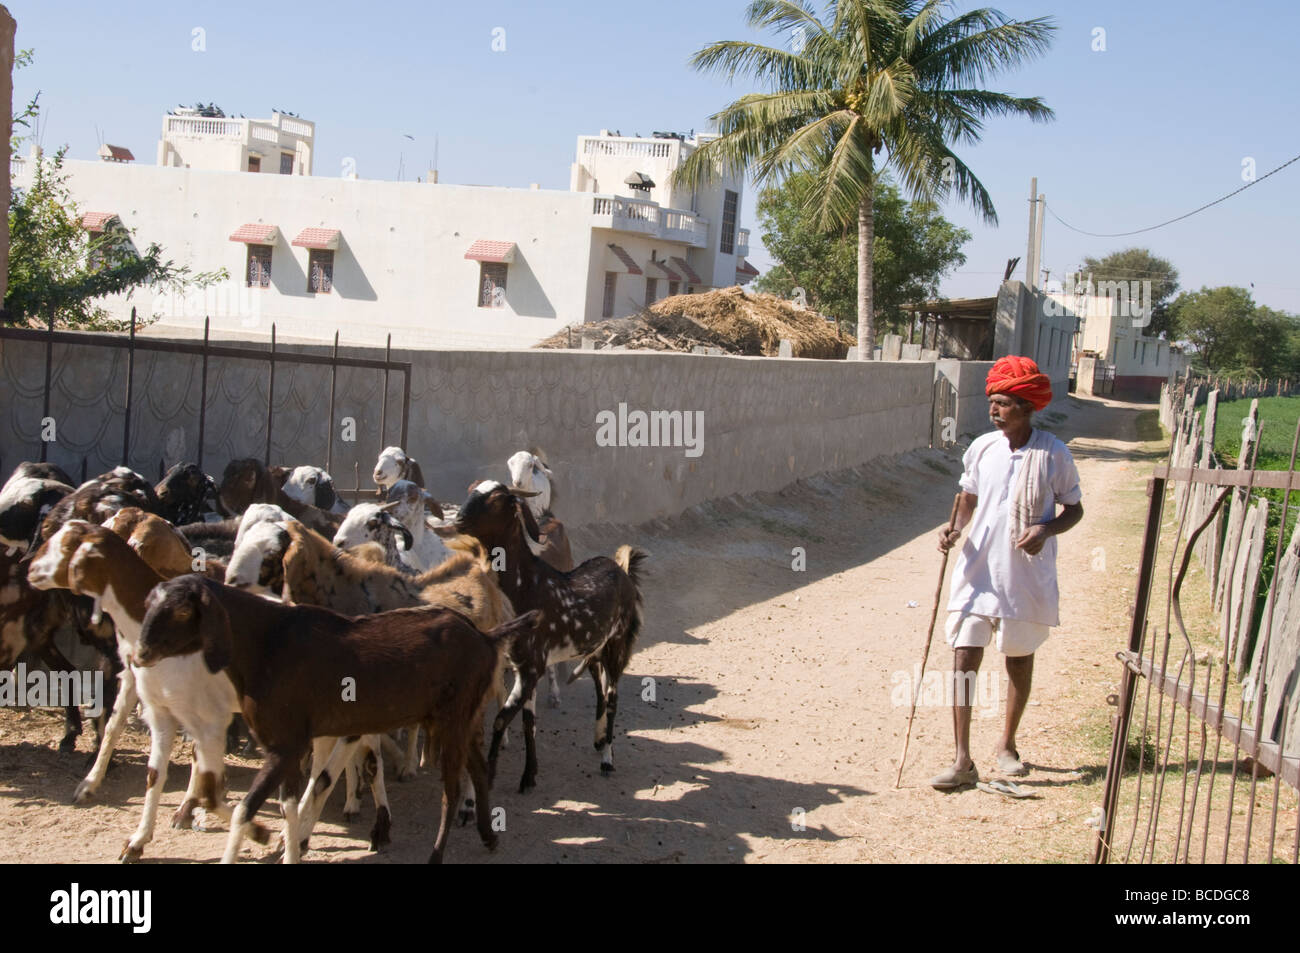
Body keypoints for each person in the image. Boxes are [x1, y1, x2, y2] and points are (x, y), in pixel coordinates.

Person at [930, 355, 1083, 789]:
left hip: (1024, 575)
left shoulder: (1053, 453)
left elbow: (1074, 510)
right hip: (977, 570)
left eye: (1004, 403)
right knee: (963, 653)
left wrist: (1046, 529)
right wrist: (953, 529)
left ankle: (1007, 746)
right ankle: (962, 759)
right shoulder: (981, 448)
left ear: (1027, 407)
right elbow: (967, 498)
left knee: (1018, 658)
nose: (994, 411)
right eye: (992, 402)